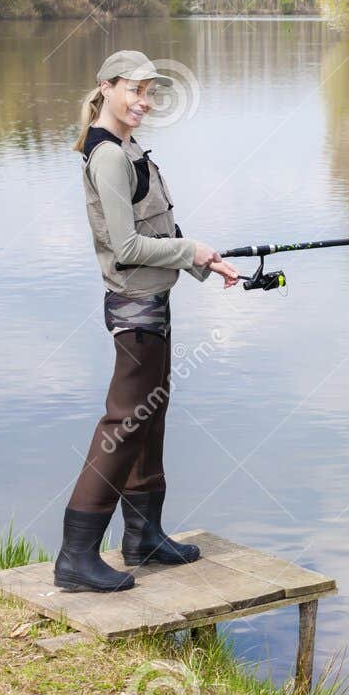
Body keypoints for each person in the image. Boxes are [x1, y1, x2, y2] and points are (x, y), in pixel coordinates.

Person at [56, 51, 240, 592]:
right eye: (134, 90)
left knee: (149, 414)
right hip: (135, 308)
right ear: (107, 87)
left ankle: (143, 537)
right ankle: (76, 556)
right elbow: (128, 246)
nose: (144, 101)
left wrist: (207, 263)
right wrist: (192, 250)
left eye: (150, 91)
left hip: (153, 303)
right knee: (124, 423)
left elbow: (159, 229)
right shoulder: (109, 156)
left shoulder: (130, 147)